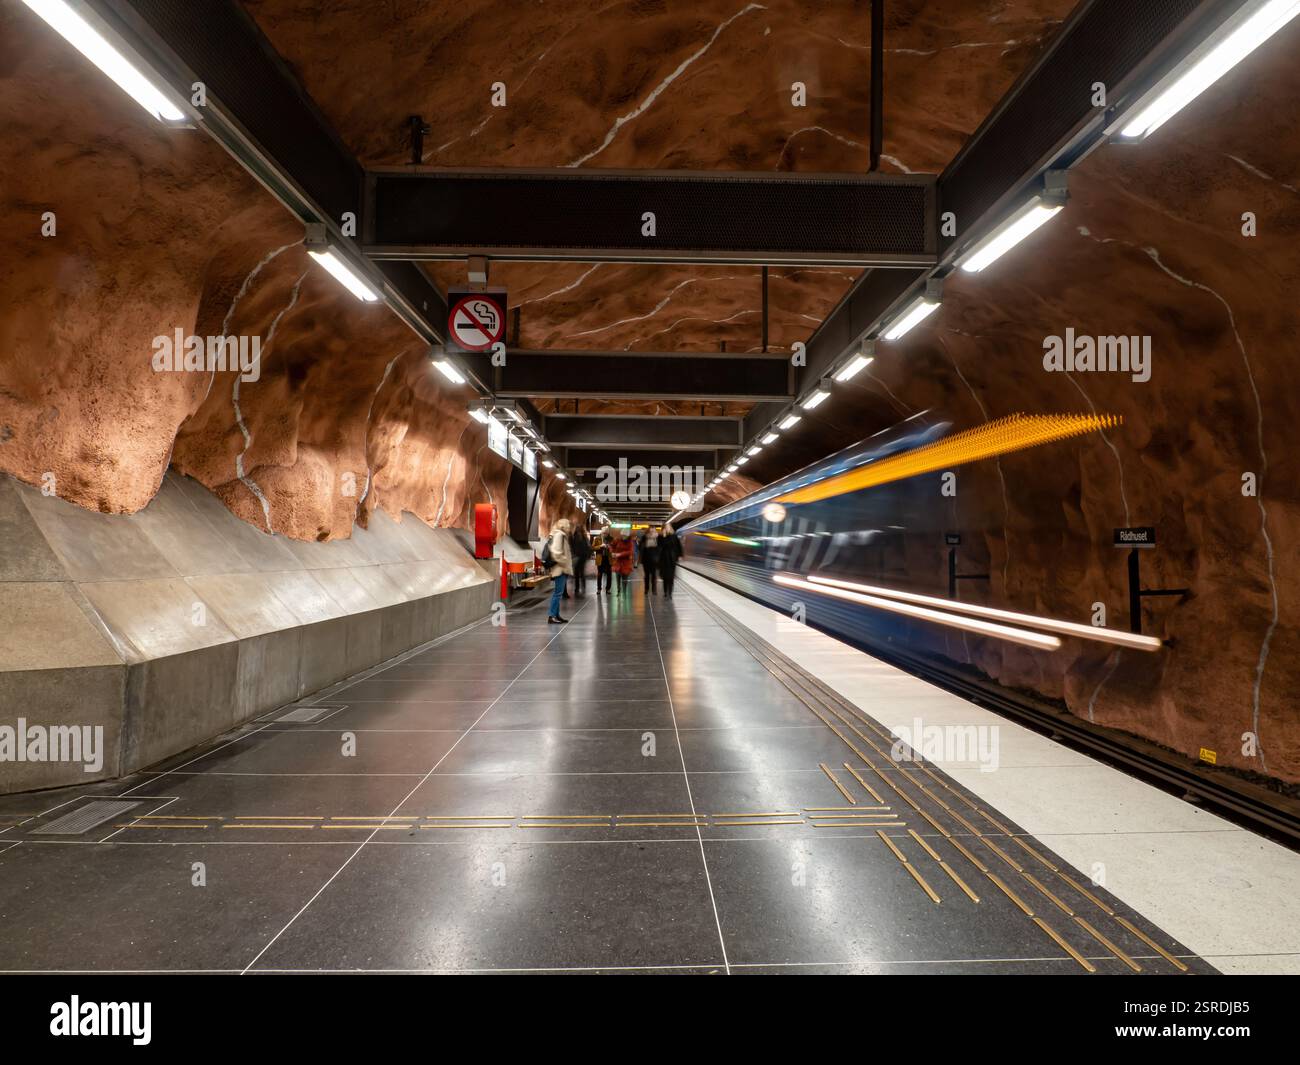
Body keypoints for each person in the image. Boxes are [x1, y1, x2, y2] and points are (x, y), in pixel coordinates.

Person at [545, 517, 574, 624]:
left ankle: (556, 615)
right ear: (564, 526)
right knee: (557, 593)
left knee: (559, 592)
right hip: (560, 569)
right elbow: (556, 552)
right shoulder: (559, 535)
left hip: (561, 568)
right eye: (568, 525)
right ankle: (552, 616)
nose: (570, 528)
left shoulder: (561, 535)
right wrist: (564, 561)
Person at [659, 522, 683, 599]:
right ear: (663, 529)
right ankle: (665, 592)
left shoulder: (674, 536)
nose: (667, 528)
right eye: (665, 527)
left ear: (670, 528)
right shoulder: (661, 537)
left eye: (668, 527)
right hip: (663, 560)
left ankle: (670, 593)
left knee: (671, 577)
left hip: (672, 559)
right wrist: (664, 536)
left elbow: (679, 546)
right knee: (665, 577)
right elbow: (660, 547)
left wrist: (680, 555)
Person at [570, 522, 591, 597]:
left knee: (577, 573)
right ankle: (583, 587)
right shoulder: (584, 537)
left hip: (577, 557)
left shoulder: (574, 537)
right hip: (582, 557)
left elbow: (572, 547)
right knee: (581, 573)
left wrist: (573, 555)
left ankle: (577, 588)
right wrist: (587, 556)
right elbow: (588, 548)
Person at [610, 528, 634, 593]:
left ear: (628, 536)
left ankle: (624, 590)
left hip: (626, 562)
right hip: (618, 562)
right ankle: (618, 589)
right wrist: (612, 552)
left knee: (625, 577)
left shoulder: (630, 542)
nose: (624, 537)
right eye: (623, 535)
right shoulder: (617, 540)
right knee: (617, 576)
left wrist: (620, 554)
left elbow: (630, 552)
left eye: (625, 536)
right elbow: (611, 546)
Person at [639, 524, 660, 595]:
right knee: (647, 575)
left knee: (654, 575)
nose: (652, 530)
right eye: (651, 528)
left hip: (655, 559)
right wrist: (645, 545)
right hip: (646, 559)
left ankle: (654, 590)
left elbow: (661, 548)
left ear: (655, 530)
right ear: (649, 529)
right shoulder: (644, 537)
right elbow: (640, 547)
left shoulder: (658, 537)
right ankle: (646, 589)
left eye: (653, 528)